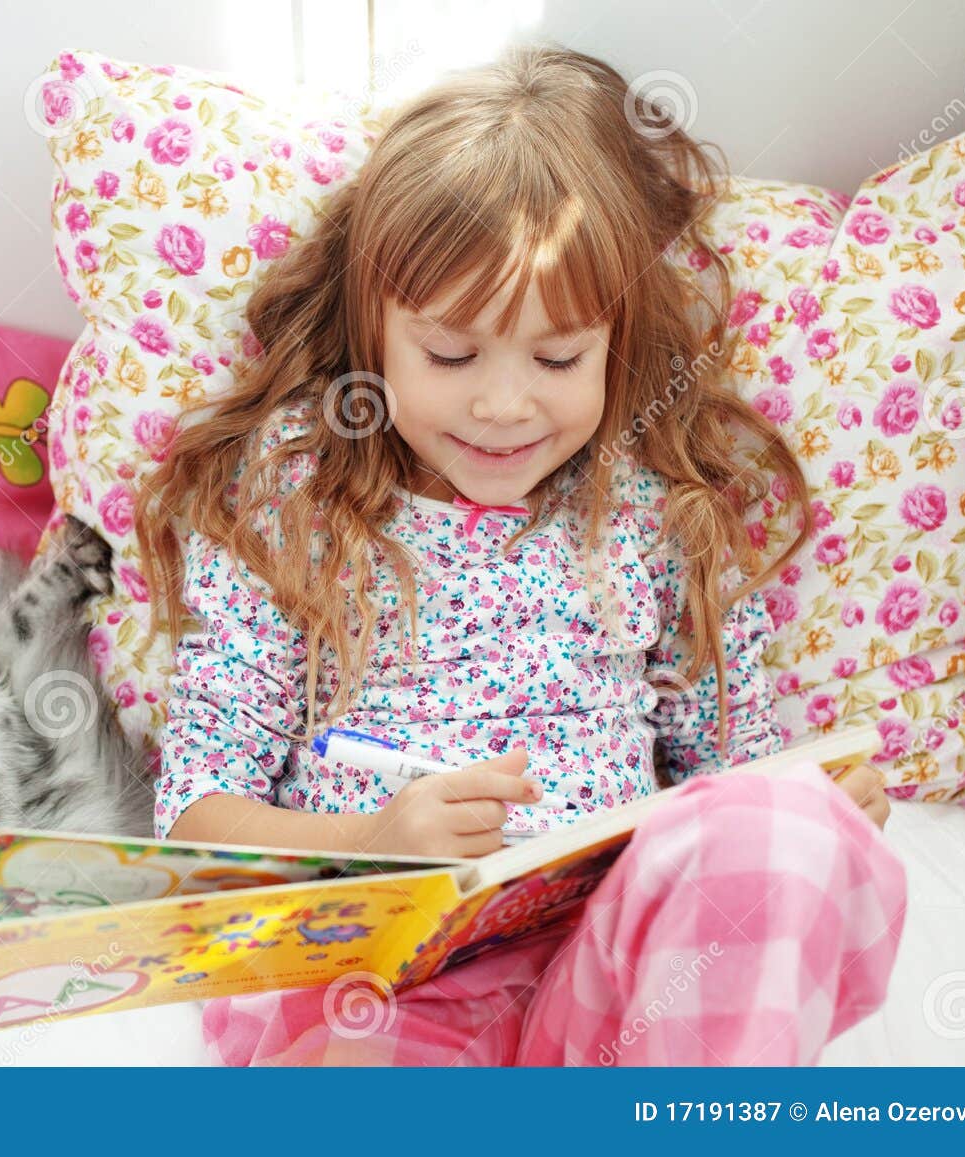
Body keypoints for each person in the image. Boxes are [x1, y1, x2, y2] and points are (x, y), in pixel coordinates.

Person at [132, 44, 904, 1066]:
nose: (503, 405)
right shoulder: (298, 493)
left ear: (616, 343)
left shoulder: (656, 515)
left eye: (557, 357)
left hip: (612, 990)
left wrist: (816, 810)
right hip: (381, 982)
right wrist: (370, 844)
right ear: (373, 332)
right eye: (450, 355)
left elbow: (729, 784)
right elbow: (195, 820)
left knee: (780, 833)